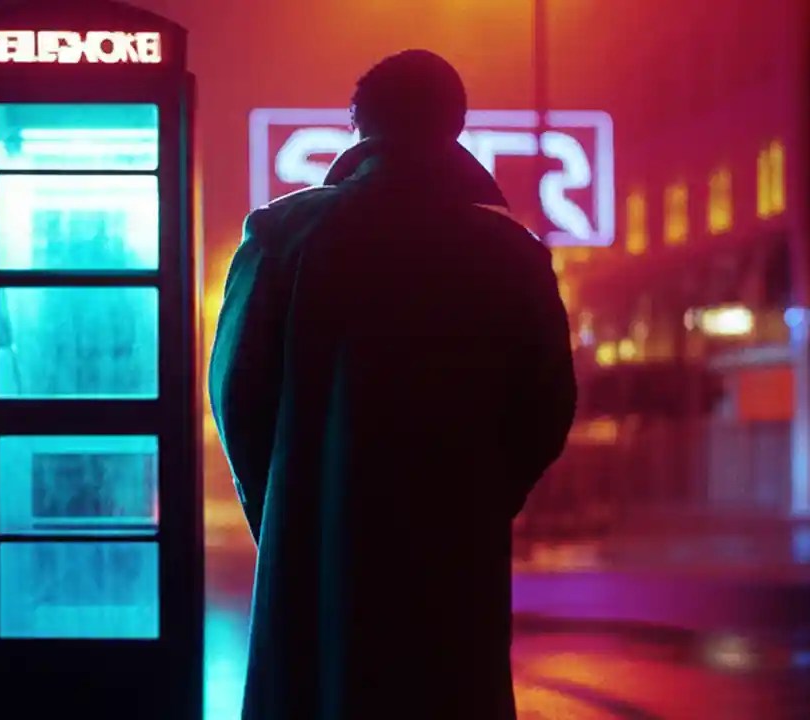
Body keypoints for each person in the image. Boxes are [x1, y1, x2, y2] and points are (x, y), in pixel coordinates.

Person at [209, 50, 577, 719]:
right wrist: (475, 501)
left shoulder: (282, 238)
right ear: (455, 125)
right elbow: (546, 409)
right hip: (452, 566)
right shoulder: (514, 257)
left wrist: (291, 505)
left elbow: (235, 395)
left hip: (315, 556)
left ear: (359, 124)